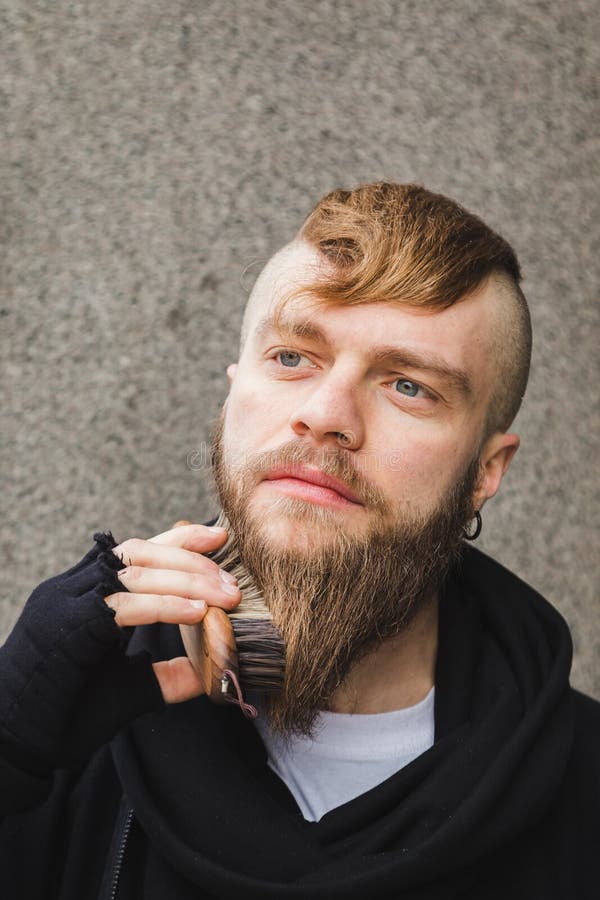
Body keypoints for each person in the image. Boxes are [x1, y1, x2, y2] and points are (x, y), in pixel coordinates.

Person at [1, 182, 598, 899]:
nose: (325, 413)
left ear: (485, 471)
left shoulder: (584, 793)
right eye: (291, 358)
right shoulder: (67, 734)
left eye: (409, 386)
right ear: (232, 396)